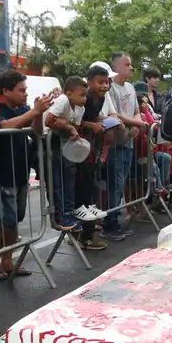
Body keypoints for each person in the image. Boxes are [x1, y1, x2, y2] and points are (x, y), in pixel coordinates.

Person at [0, 70, 52, 277]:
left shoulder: (24, 108)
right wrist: (34, 111)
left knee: (15, 219)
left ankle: (7, 260)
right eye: (21, 90)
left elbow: (36, 131)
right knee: (6, 221)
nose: (25, 93)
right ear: (6, 91)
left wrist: (37, 113)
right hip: (0, 173)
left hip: (20, 171)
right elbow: (4, 126)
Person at [101, 52, 146, 240]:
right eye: (127, 64)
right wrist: (137, 123)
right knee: (115, 185)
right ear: (117, 67)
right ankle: (109, 224)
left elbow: (136, 111)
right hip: (114, 144)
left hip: (128, 143)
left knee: (121, 184)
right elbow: (114, 114)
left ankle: (114, 223)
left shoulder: (130, 87)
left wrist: (136, 123)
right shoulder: (110, 88)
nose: (131, 68)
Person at [72, 64, 110, 250]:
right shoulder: (83, 98)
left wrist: (104, 121)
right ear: (90, 83)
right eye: (100, 82)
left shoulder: (101, 99)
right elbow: (75, 121)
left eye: (107, 82)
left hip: (91, 148)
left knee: (91, 187)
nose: (105, 86)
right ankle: (82, 236)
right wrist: (92, 125)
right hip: (77, 149)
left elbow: (93, 118)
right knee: (82, 190)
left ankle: (86, 233)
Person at [45, 76, 88, 232]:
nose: (85, 98)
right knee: (56, 181)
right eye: (81, 95)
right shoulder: (62, 100)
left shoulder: (81, 109)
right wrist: (68, 126)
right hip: (50, 143)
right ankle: (59, 215)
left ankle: (69, 214)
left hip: (65, 143)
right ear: (69, 94)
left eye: (85, 95)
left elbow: (75, 127)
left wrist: (68, 127)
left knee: (69, 179)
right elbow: (49, 121)